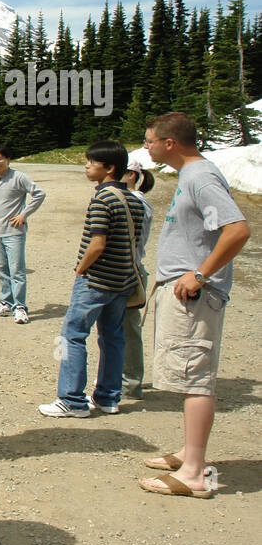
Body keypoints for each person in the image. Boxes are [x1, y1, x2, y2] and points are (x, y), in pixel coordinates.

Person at [139, 112, 249, 498]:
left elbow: (237, 230)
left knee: (195, 376)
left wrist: (200, 274)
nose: (147, 145)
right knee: (188, 373)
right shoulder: (190, 175)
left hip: (195, 293)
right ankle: (190, 453)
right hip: (184, 290)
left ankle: (194, 474)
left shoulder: (201, 176)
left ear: (170, 143)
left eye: (150, 140)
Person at [38, 141, 146, 418]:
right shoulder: (134, 200)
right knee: (113, 337)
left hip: (96, 280)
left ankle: (71, 399)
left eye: (91, 162)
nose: (86, 166)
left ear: (108, 168)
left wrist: (80, 269)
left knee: (71, 336)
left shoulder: (102, 199)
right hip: (122, 282)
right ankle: (109, 397)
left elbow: (97, 243)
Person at [0, 145, 47, 324]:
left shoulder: (19, 177)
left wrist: (24, 215)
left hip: (14, 232)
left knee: (17, 271)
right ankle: (6, 303)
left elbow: (39, 194)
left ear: (8, 159)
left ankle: (20, 307)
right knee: (2, 269)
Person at [119, 158, 155, 399]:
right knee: (118, 329)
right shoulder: (134, 200)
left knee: (128, 329)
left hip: (128, 269)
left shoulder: (136, 201)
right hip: (127, 268)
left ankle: (131, 383)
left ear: (132, 175)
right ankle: (121, 379)